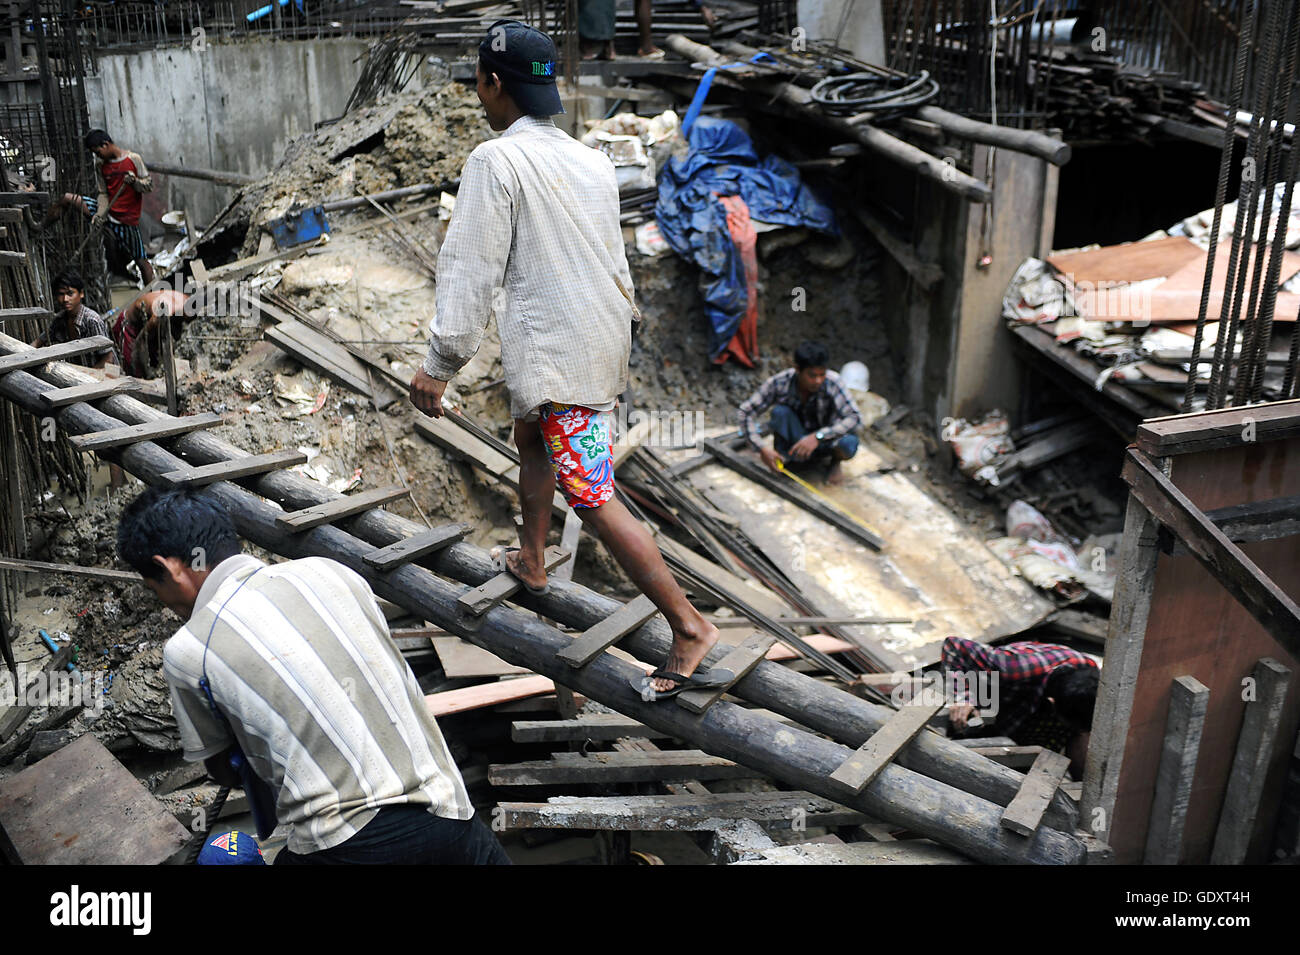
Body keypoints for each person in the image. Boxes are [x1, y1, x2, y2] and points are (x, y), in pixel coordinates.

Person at [409, 20, 721, 697]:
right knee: (533, 441)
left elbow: (470, 271)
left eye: (480, 82)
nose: (480, 93)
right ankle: (533, 556)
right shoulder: (591, 160)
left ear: (494, 84)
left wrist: (438, 365)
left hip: (561, 347)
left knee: (593, 495)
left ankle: (690, 625)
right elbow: (615, 260)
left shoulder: (497, 161)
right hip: (599, 334)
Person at [116, 487, 510, 865]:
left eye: (155, 589)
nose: (166, 604)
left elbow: (224, 768)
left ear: (168, 568)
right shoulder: (333, 574)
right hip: (450, 814)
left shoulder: (189, 651)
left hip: (345, 845)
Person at [941, 636, 1099, 778]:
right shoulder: (1012, 667)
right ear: (1052, 702)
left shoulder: (1093, 683)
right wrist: (964, 698)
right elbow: (954, 646)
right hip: (1002, 695)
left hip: (1033, 702)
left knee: (1074, 741)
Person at [737, 340, 863, 486]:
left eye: (822, 374)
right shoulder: (780, 383)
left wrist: (818, 437)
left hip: (826, 441)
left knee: (849, 443)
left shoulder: (833, 382)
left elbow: (855, 417)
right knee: (780, 413)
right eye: (812, 375)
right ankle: (789, 457)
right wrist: (761, 448)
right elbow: (745, 412)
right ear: (797, 369)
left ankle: (834, 462)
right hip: (796, 437)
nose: (818, 380)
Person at [38, 129, 155, 284]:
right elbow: (103, 194)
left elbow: (148, 186)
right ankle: (40, 228)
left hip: (126, 221)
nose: (97, 155)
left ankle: (153, 297)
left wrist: (135, 182)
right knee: (67, 198)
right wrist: (99, 214)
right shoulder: (100, 165)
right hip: (108, 210)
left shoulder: (133, 159)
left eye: (97, 152)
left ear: (105, 144)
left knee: (142, 262)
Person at [33, 269, 115, 369]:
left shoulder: (92, 321)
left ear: (81, 294)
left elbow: (108, 358)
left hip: (100, 376)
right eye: (61, 294)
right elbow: (39, 341)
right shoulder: (59, 320)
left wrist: (89, 376)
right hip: (76, 373)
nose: (65, 299)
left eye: (70, 293)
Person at [108, 288, 187, 379]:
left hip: (146, 323)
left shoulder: (185, 300)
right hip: (129, 326)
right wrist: (137, 357)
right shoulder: (166, 311)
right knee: (132, 371)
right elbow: (142, 340)